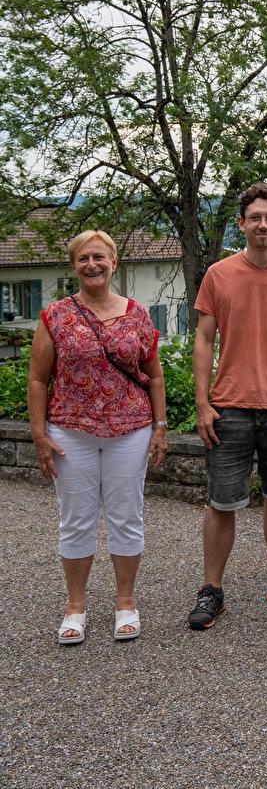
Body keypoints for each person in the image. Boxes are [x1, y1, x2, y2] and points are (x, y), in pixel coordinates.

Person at [28, 230, 168, 644]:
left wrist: (160, 427)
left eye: (99, 257)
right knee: (76, 520)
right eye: (83, 259)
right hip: (70, 432)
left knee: (127, 516)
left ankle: (126, 603)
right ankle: (76, 607)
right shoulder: (55, 316)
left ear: (113, 262)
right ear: (74, 266)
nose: (92, 265)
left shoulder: (137, 314)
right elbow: (37, 380)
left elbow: (154, 375)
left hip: (131, 431)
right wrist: (39, 436)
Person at [189, 182, 267, 630]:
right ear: (242, 223)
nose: (263, 224)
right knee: (221, 503)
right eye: (255, 217)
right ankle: (211, 589)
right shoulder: (218, 274)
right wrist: (202, 403)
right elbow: (204, 339)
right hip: (229, 407)